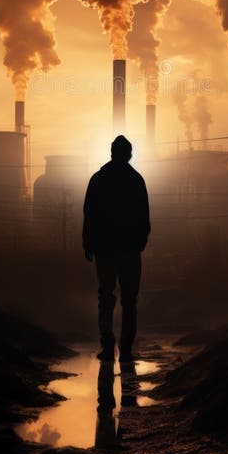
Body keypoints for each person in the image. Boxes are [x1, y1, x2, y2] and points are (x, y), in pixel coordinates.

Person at [83, 135, 150, 362]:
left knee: (106, 296)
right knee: (129, 299)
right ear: (129, 154)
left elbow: (89, 214)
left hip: (105, 249)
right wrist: (140, 242)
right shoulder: (136, 180)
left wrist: (88, 243)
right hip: (129, 250)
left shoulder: (99, 179)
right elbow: (144, 217)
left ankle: (108, 346)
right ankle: (127, 348)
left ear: (112, 153)